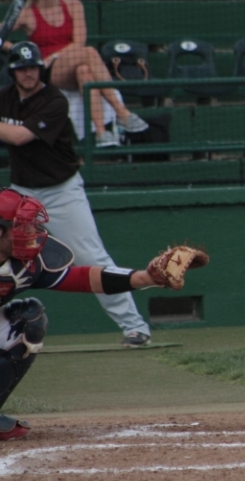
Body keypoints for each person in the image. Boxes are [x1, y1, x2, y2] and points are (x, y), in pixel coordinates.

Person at [0, 188, 189, 440]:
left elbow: (82, 278)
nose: (32, 234)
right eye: (23, 227)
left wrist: (143, 278)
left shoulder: (28, 262)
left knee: (28, 319)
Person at [0, 41, 153, 346]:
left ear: (40, 68)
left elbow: (19, 137)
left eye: (32, 67)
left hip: (61, 191)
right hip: (21, 193)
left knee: (90, 256)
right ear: (13, 72)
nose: (28, 74)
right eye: (21, 68)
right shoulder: (5, 99)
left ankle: (135, 327)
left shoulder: (54, 100)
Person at [5, 0, 148, 147]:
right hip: (47, 69)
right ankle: (122, 112)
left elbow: (79, 42)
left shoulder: (74, 5)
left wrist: (56, 55)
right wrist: (20, 51)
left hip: (72, 62)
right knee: (90, 52)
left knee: (84, 71)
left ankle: (101, 132)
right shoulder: (27, 14)